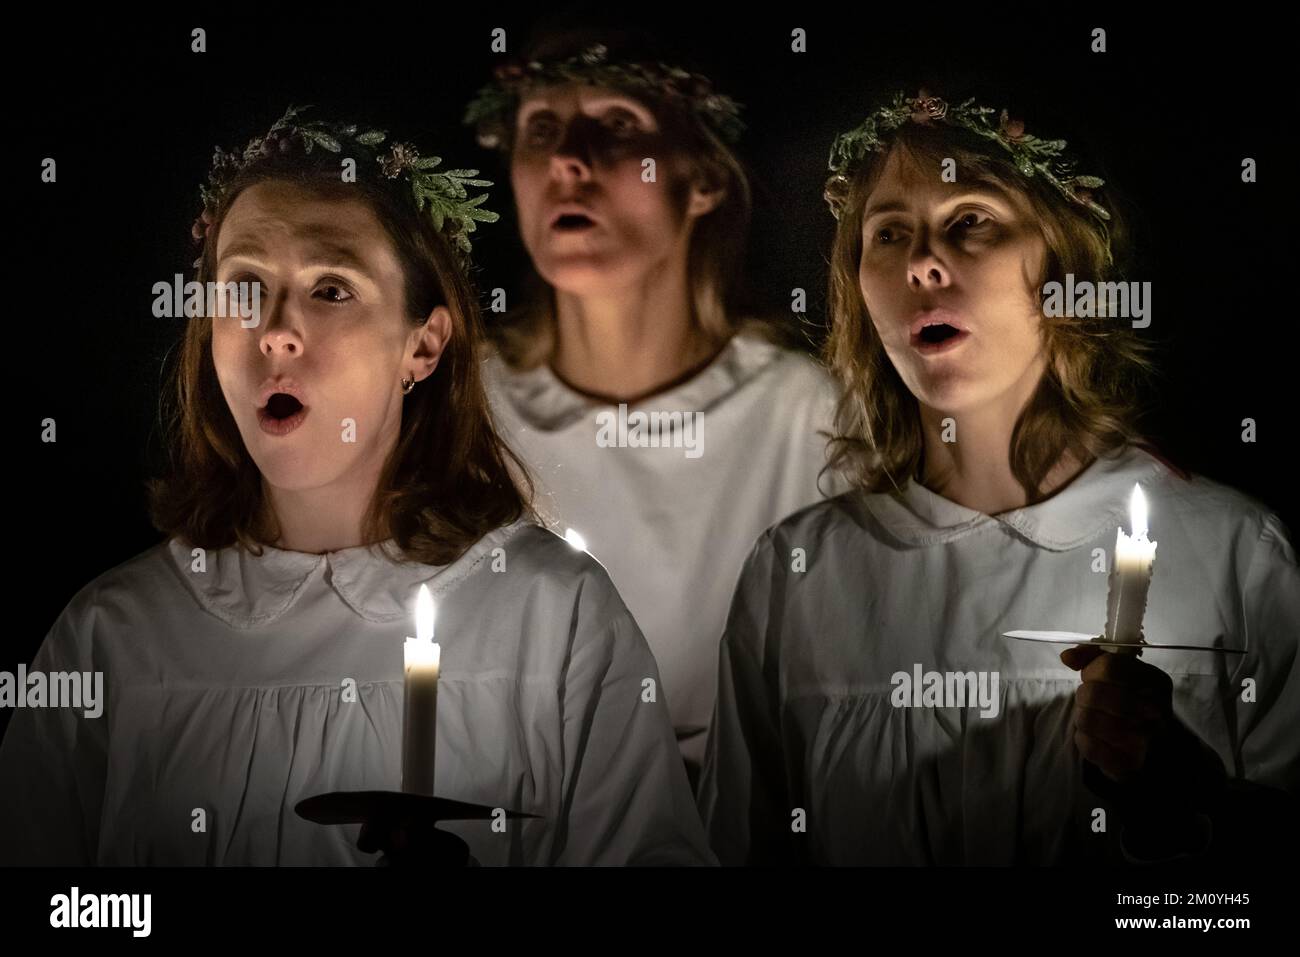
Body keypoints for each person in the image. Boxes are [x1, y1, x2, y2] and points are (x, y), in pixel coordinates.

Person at [0, 106, 712, 867]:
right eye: (243, 287)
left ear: (424, 345)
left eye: (331, 289)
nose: (276, 330)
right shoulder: (111, 638)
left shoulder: (556, 620)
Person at [698, 90, 1300, 865]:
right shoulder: (797, 574)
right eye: (889, 233)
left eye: (970, 220)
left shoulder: (1233, 555)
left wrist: (1189, 806)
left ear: (1063, 262)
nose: (921, 262)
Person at [466, 33, 850, 788]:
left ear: (703, 177)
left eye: (615, 125)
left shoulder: (811, 420)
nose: (567, 160)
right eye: (540, 128)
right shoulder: (463, 409)